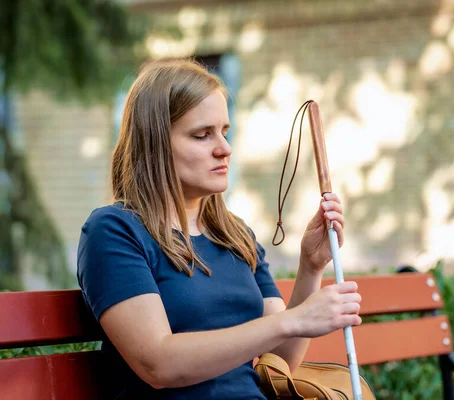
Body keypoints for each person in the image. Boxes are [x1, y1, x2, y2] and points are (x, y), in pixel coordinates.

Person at [77, 58, 362, 400]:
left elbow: (281, 359)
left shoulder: (234, 235)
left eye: (225, 132)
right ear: (155, 144)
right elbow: (158, 364)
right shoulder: (115, 231)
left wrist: (311, 266)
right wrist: (292, 319)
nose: (224, 149)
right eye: (202, 135)